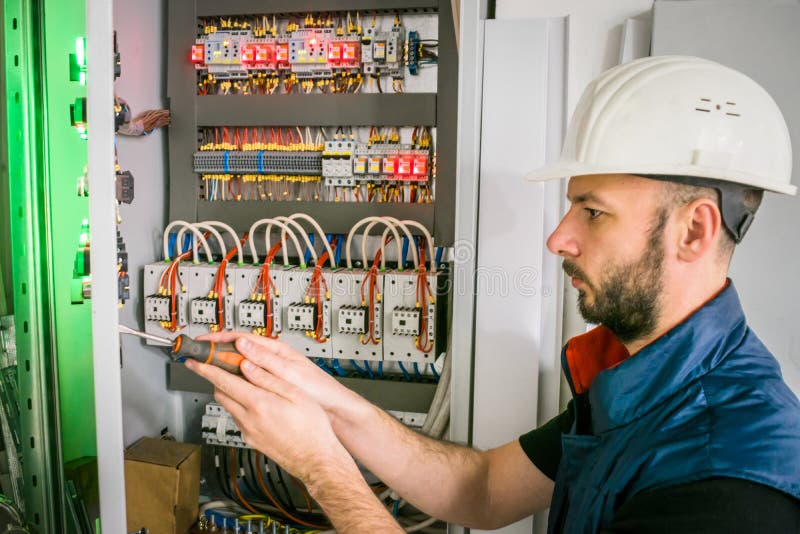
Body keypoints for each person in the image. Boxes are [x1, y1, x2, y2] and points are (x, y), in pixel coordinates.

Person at [186, 55, 800, 533]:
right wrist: (324, 397)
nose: (558, 238)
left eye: (592, 212)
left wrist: (322, 468)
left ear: (694, 230)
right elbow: (479, 489)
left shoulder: (728, 485)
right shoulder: (640, 386)